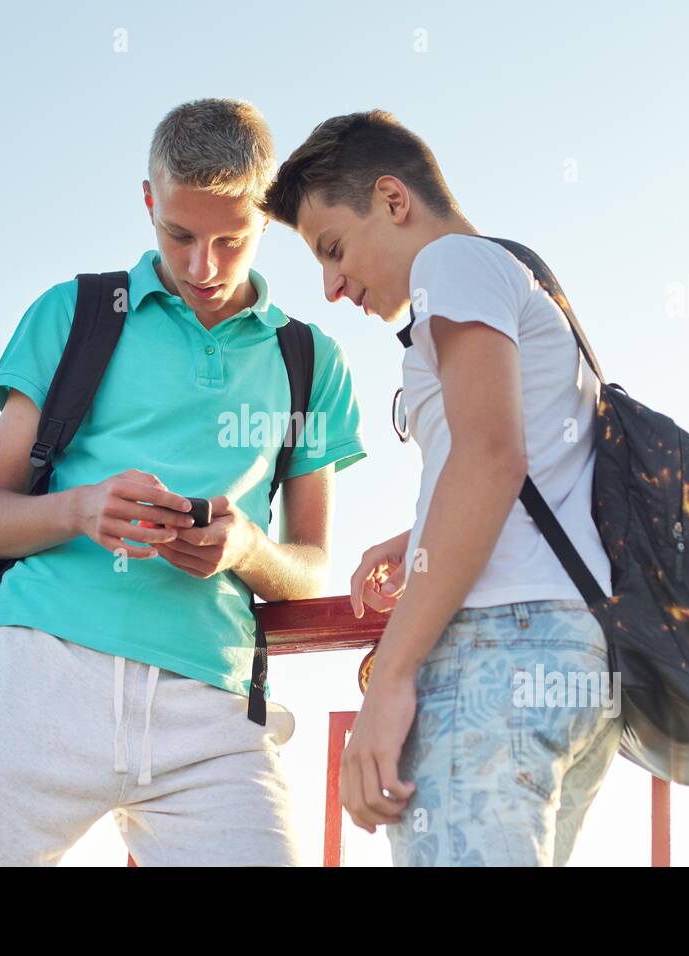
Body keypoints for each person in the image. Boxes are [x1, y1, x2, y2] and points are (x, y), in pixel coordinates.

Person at [0, 98, 367, 866]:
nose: (201, 267)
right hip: (29, 679)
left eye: (231, 239)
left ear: (270, 214)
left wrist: (248, 546)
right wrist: (84, 508)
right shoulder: (74, 312)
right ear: (148, 202)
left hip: (212, 714)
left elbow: (310, 565)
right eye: (178, 235)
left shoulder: (311, 361)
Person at [259, 109, 622, 866]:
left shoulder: (449, 267)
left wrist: (390, 677)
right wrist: (418, 534)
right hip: (577, 652)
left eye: (333, 250)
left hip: (497, 647)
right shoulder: (513, 272)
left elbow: (492, 459)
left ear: (394, 200)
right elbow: (531, 460)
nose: (330, 286)